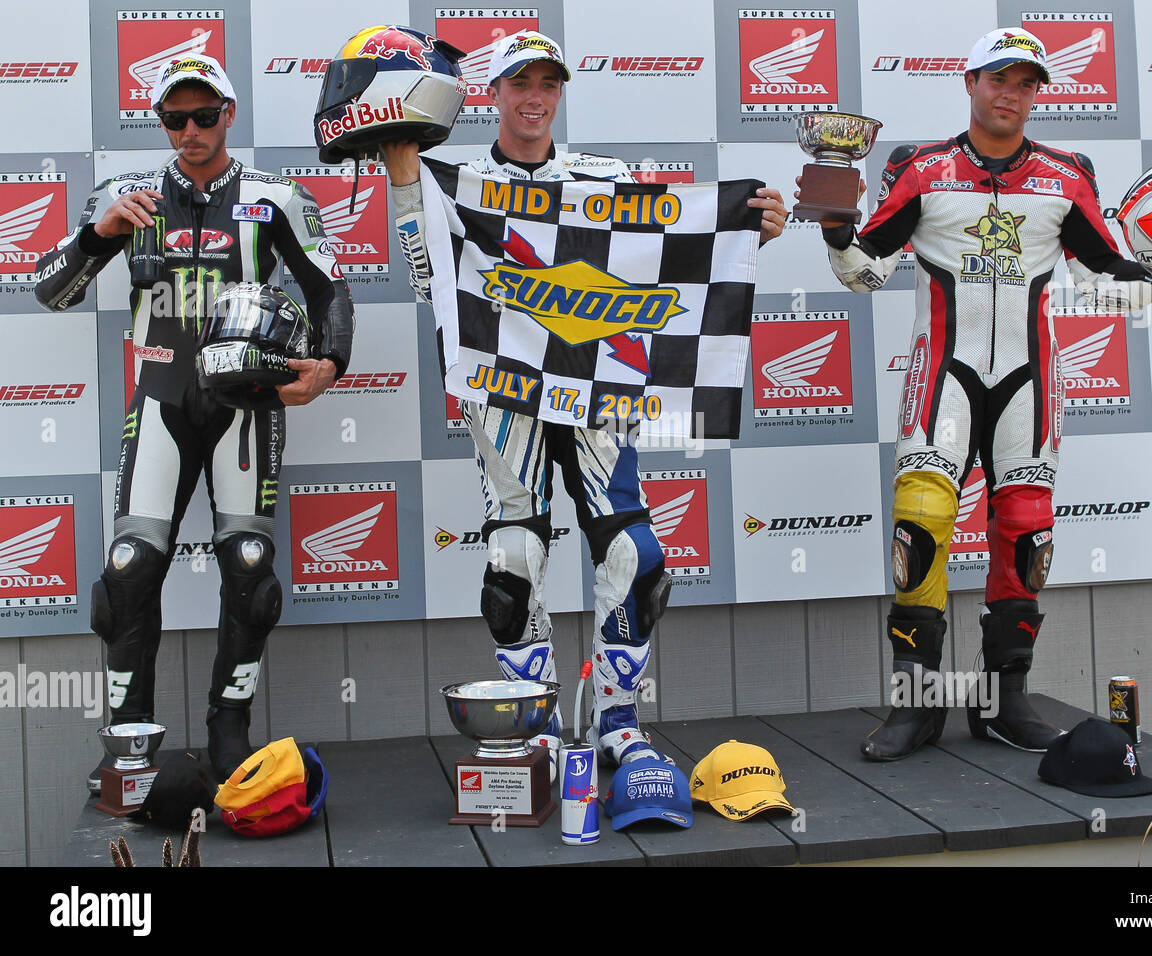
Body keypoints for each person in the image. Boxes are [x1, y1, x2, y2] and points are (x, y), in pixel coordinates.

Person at [381, 30, 787, 766]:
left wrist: (750, 226)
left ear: (560, 92)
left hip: (599, 382)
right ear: (494, 94)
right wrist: (406, 184)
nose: (534, 98)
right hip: (506, 386)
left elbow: (665, 255)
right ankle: (532, 727)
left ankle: (619, 724)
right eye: (519, 83)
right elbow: (425, 280)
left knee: (634, 554)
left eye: (548, 83)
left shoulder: (605, 175)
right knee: (514, 557)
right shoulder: (462, 181)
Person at [807, 27, 1152, 760]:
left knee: (1028, 531)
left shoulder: (1070, 173)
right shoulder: (921, 166)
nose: (1011, 93)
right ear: (969, 82)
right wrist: (838, 230)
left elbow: (1105, 280)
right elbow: (866, 270)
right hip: (945, 372)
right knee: (922, 519)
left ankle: (1006, 700)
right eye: (997, 78)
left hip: (1029, 378)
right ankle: (916, 705)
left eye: (1026, 82)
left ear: (1037, 92)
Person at [35, 54, 355, 784]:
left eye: (203, 115)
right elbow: (50, 291)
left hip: (245, 406)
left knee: (249, 570)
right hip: (159, 400)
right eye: (173, 118)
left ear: (229, 115)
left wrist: (329, 365)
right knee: (128, 573)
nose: (189, 130)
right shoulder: (127, 194)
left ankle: (229, 732)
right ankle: (127, 746)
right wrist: (97, 235)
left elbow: (330, 288)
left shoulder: (275, 196)